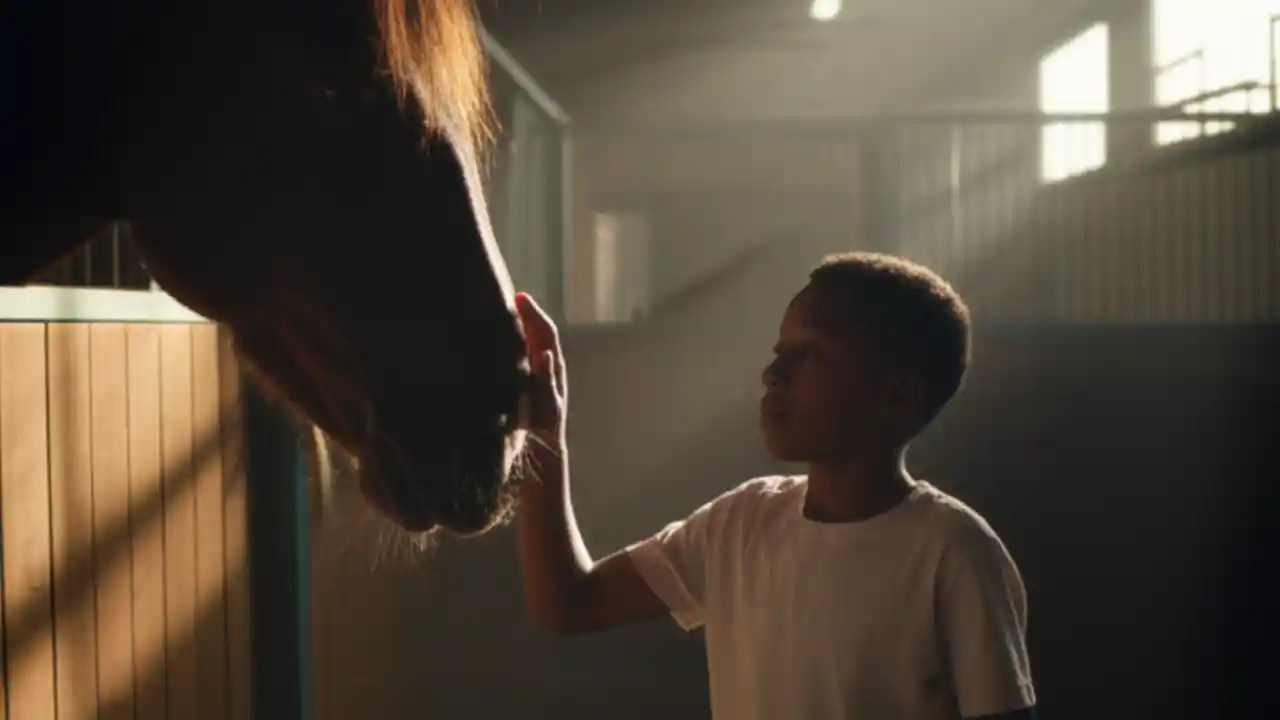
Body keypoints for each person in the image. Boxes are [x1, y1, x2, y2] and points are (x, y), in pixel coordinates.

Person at [513, 251, 1036, 720]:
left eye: (810, 354)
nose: (773, 373)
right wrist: (544, 432)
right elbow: (568, 601)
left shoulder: (955, 553)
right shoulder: (740, 523)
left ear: (896, 394)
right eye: (780, 350)